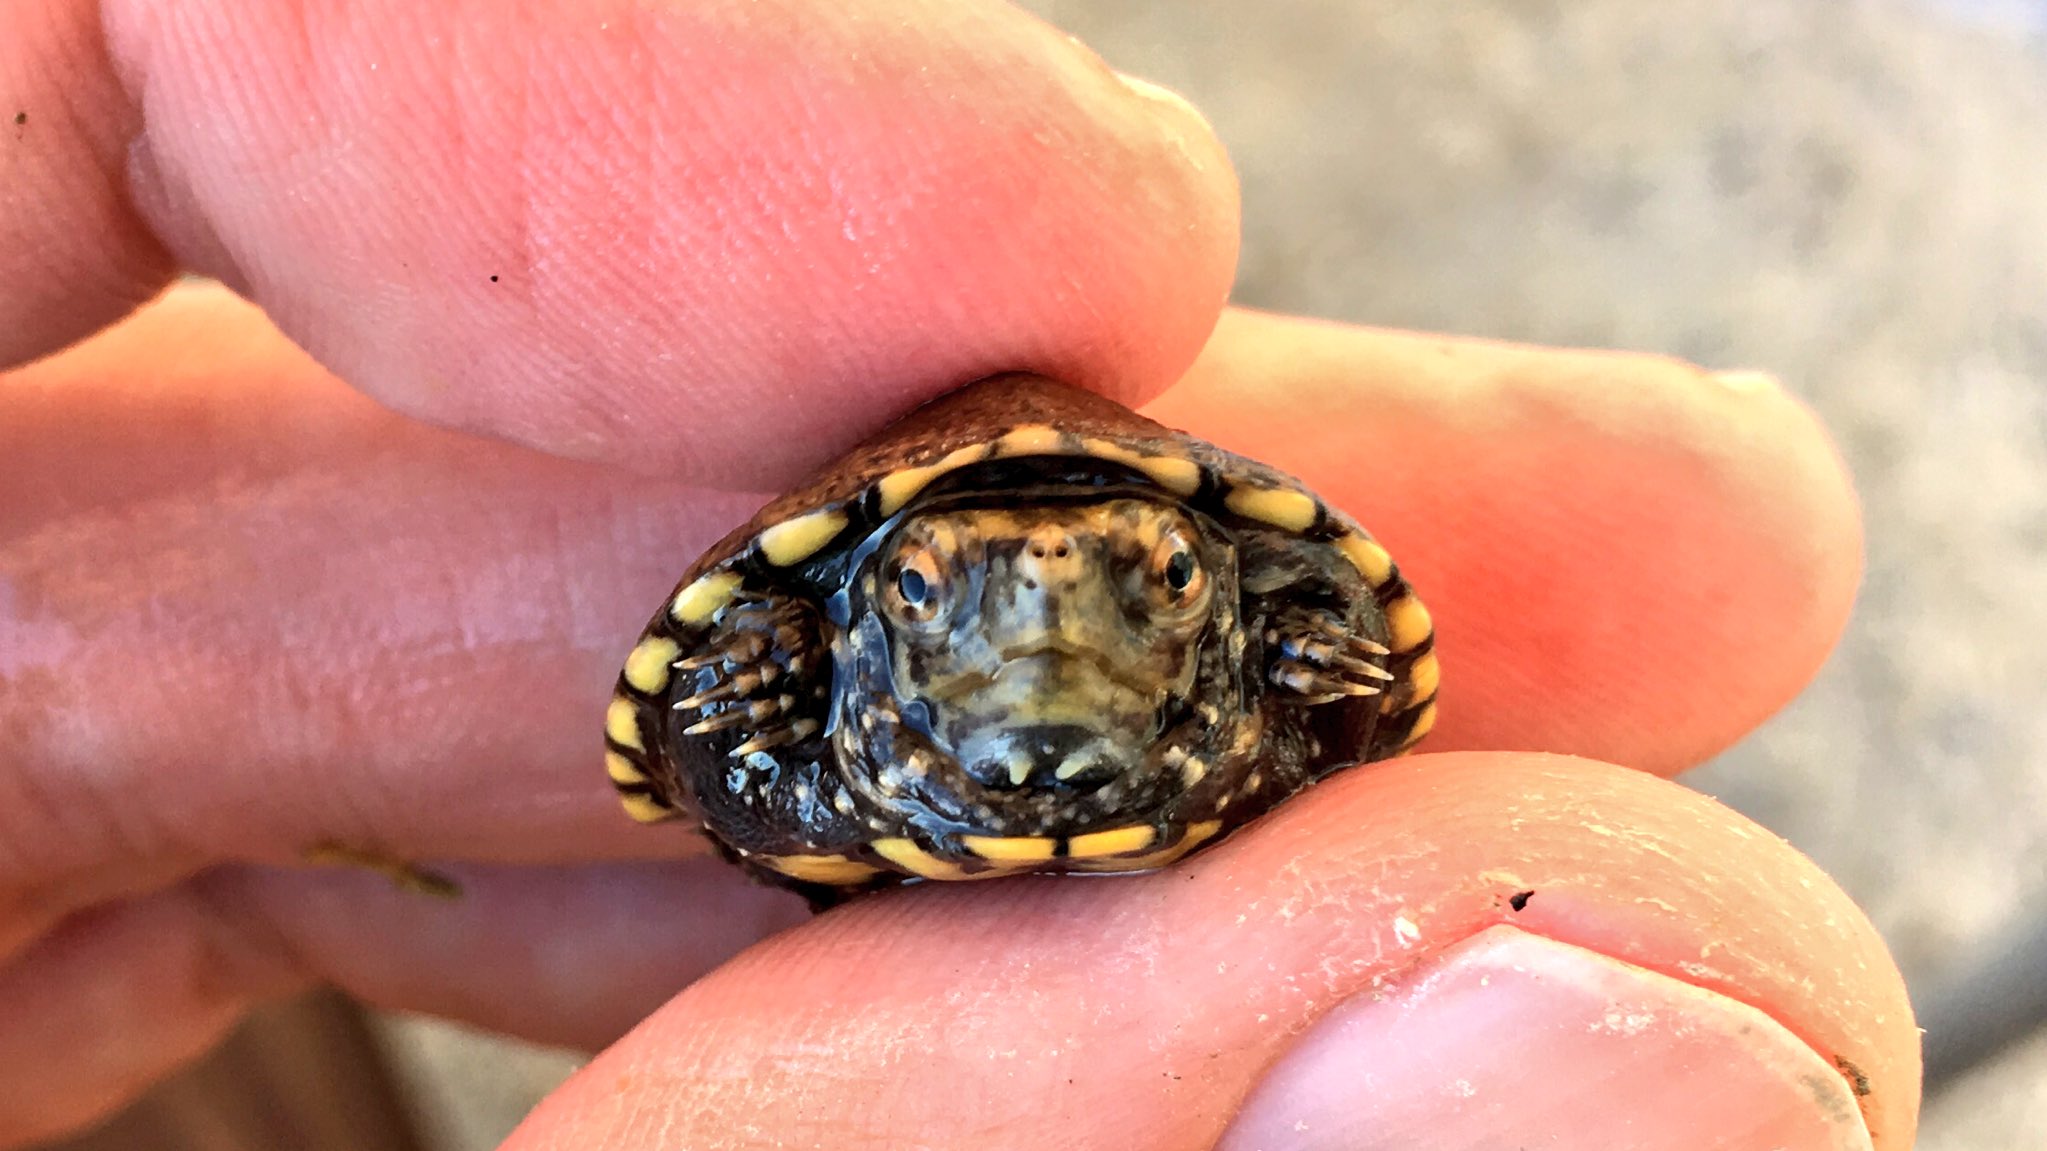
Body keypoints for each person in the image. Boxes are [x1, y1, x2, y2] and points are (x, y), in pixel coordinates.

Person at [0, 2, 1916, 1147]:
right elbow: (707, 731)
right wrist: (752, 763)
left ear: (1205, 592)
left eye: (1149, 583)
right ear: (880, 607)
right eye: (943, 587)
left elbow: (1352, 657)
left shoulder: (1265, 650)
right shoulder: (815, 683)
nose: (1046, 611)